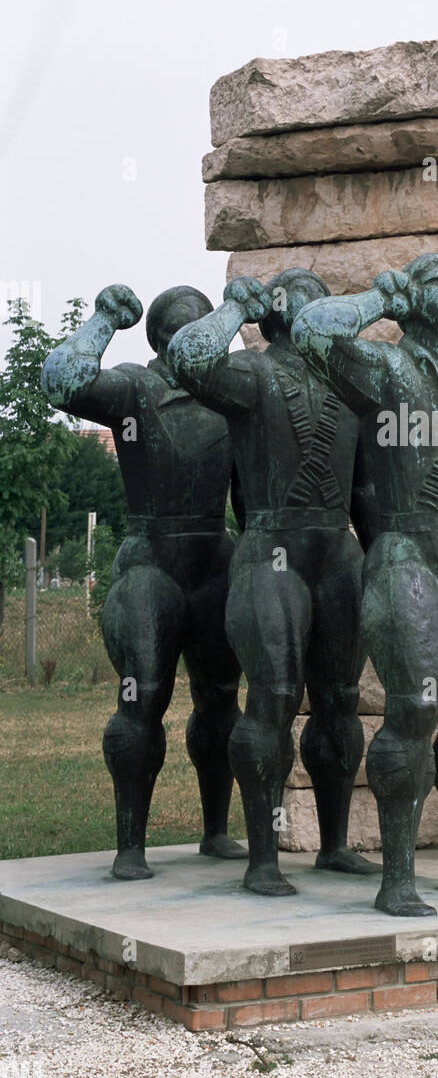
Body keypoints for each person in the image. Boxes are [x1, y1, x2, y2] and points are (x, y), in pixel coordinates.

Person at [292, 254, 438, 917]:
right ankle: (396, 878)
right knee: (413, 711)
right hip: (405, 551)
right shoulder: (380, 369)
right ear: (413, 297)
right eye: (435, 281)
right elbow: (312, 331)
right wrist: (377, 298)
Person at [167, 269, 376, 895]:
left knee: (339, 699)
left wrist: (387, 552)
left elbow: (364, 487)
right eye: (304, 298)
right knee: (273, 697)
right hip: (271, 548)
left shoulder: (353, 382)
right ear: (280, 315)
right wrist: (234, 307)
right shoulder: (253, 373)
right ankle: (262, 858)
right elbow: (188, 359)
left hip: (337, 551)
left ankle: (334, 843)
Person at [41, 284, 246, 880]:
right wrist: (103, 319)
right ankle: (130, 844)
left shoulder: (229, 393)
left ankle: (216, 830)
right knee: (141, 698)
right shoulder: (135, 388)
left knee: (222, 701)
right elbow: (63, 380)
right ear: (160, 338)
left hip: (214, 560)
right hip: (150, 561)